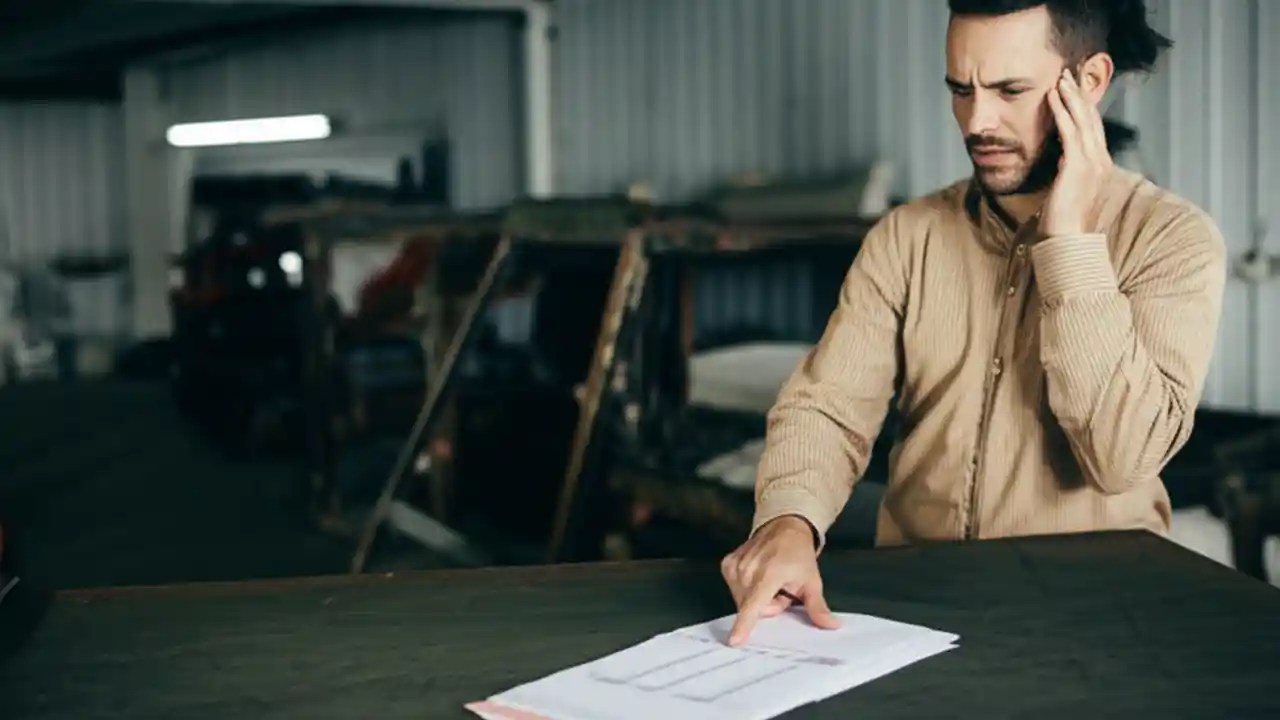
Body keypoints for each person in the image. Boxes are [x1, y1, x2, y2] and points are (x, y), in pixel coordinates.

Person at [720, 0, 1227, 646]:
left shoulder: (1172, 241)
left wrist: (1068, 242)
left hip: (1096, 624)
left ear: (1090, 82)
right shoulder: (905, 237)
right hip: (911, 618)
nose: (977, 121)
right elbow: (828, 407)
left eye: (1010, 90)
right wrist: (788, 521)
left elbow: (1121, 457)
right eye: (961, 90)